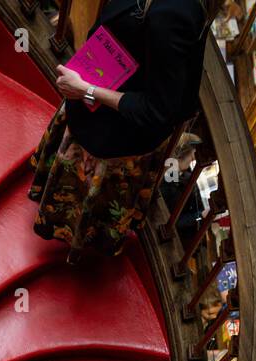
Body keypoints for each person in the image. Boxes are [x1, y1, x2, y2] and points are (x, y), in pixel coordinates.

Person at [30, 0, 209, 259]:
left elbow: (157, 110)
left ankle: (81, 236)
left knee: (84, 203)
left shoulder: (172, 14)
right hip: (99, 89)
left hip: (113, 128)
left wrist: (86, 90)